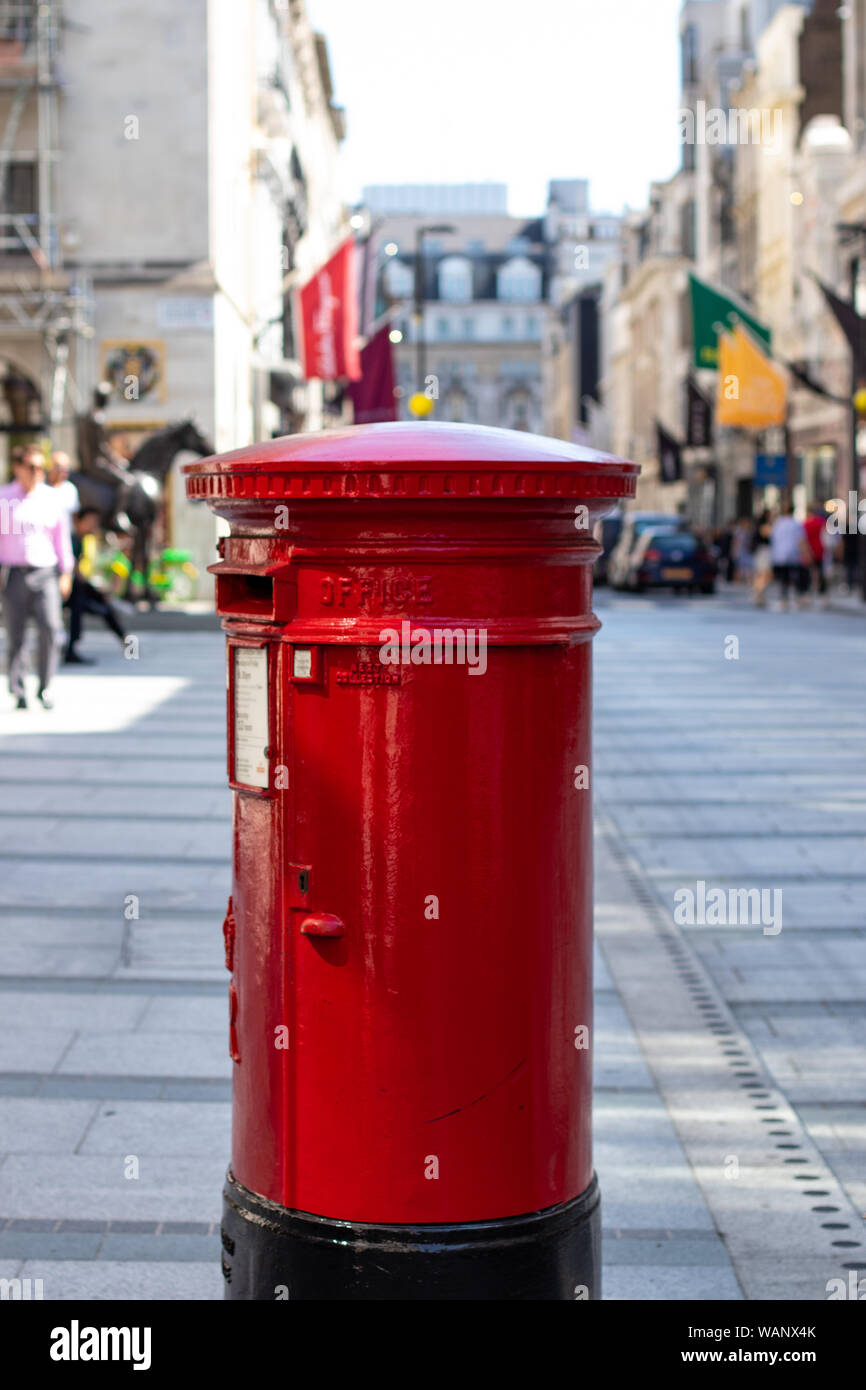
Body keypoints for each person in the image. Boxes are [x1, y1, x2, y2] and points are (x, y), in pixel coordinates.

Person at [0, 443, 73, 708]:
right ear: (18, 468)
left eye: (42, 467)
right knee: (15, 634)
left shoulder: (51, 499)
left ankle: (45, 685)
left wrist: (66, 573)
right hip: (14, 574)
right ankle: (18, 689)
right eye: (32, 467)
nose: (37, 472)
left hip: (45, 574)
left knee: (50, 628)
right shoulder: (4, 498)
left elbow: (61, 539)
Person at [63, 508, 126, 664]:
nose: (93, 526)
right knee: (79, 604)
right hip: (66, 588)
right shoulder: (70, 540)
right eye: (90, 522)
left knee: (104, 604)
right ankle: (71, 648)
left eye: (95, 522)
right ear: (79, 521)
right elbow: (74, 569)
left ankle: (126, 640)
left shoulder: (84, 541)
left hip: (78, 586)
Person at [769, 503, 809, 610]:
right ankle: (796, 597)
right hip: (792, 554)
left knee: (783, 578)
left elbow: (772, 538)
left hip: (779, 554)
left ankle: (784, 599)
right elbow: (801, 540)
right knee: (793, 576)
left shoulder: (777, 524)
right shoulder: (796, 524)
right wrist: (806, 553)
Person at [803, 502, 830, 607]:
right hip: (820, 550)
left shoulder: (805, 524)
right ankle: (823, 595)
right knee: (820, 572)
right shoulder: (822, 522)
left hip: (809, 551)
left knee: (808, 573)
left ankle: (807, 594)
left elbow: (803, 539)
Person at [48, 450, 80, 520]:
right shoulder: (39, 489)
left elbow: (74, 517)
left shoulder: (70, 489)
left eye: (66, 467)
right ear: (50, 466)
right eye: (59, 467)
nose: (63, 470)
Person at [751, 508, 773, 606]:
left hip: (763, 551)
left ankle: (759, 594)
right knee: (763, 573)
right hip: (763, 551)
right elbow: (767, 534)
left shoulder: (760, 525)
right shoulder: (764, 525)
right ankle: (758, 594)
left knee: (763, 574)